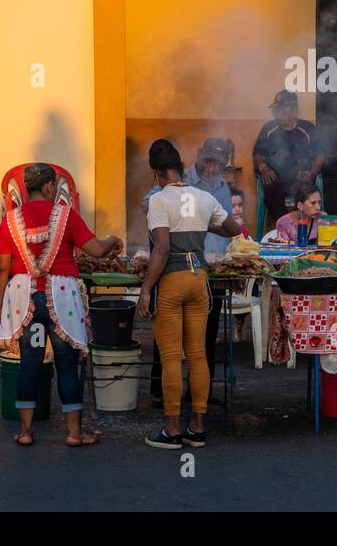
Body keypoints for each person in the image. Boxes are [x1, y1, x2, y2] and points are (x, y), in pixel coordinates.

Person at [0, 163, 121, 447]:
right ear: (50, 187)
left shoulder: (10, 219)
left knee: (29, 363)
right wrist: (114, 239)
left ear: (27, 188)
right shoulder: (67, 215)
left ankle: (25, 432)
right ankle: (74, 434)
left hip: (23, 296)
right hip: (62, 296)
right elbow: (97, 251)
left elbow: (2, 268)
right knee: (66, 365)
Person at [137, 139, 241, 449]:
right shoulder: (204, 196)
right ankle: (197, 427)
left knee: (171, 358)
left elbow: (163, 248)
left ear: (157, 174)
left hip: (172, 279)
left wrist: (145, 290)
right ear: (182, 168)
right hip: (200, 280)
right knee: (197, 357)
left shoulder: (159, 200)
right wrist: (206, 226)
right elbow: (234, 229)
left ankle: (172, 430)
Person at [253, 90, 324, 224]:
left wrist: (311, 173)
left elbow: (320, 156)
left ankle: (302, 229)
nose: (278, 113)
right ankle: (288, 227)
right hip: (276, 180)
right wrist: (263, 168)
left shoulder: (307, 128)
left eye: (282, 109)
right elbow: (258, 155)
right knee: (272, 191)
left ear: (294, 111)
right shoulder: (269, 128)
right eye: (278, 110)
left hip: (301, 179)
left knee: (305, 192)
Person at [275, 180, 324, 244]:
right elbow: (283, 248)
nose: (318, 208)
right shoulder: (283, 222)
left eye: (319, 202)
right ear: (300, 205)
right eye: (313, 203)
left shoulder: (323, 218)